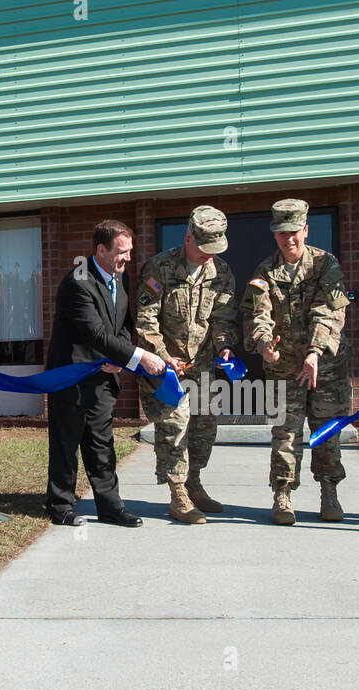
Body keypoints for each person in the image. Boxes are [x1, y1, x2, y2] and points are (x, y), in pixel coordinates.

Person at [44, 219, 170, 527]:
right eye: (120, 252)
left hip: (102, 378)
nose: (127, 258)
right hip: (72, 378)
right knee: (66, 443)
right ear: (101, 249)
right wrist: (139, 358)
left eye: (129, 251)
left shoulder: (118, 278)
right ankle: (60, 505)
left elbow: (122, 326)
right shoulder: (78, 282)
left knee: (102, 445)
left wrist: (121, 357)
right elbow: (96, 334)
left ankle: (110, 507)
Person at [242, 199, 351, 525]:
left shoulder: (326, 265)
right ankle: (283, 494)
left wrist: (315, 353)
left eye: (294, 232)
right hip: (283, 368)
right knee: (285, 434)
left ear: (305, 230)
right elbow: (256, 315)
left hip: (325, 368)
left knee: (327, 431)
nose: (288, 239)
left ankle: (329, 492)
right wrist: (263, 346)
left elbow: (328, 313)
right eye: (281, 234)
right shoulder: (264, 272)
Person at [134, 206, 239, 524]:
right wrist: (163, 356)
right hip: (166, 368)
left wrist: (224, 347)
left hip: (204, 366)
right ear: (188, 239)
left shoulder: (221, 272)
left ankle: (194, 482)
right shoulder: (160, 268)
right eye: (204, 248)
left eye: (215, 249)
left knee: (205, 428)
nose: (209, 256)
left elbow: (223, 318)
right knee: (174, 427)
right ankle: (177, 494)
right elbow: (145, 319)